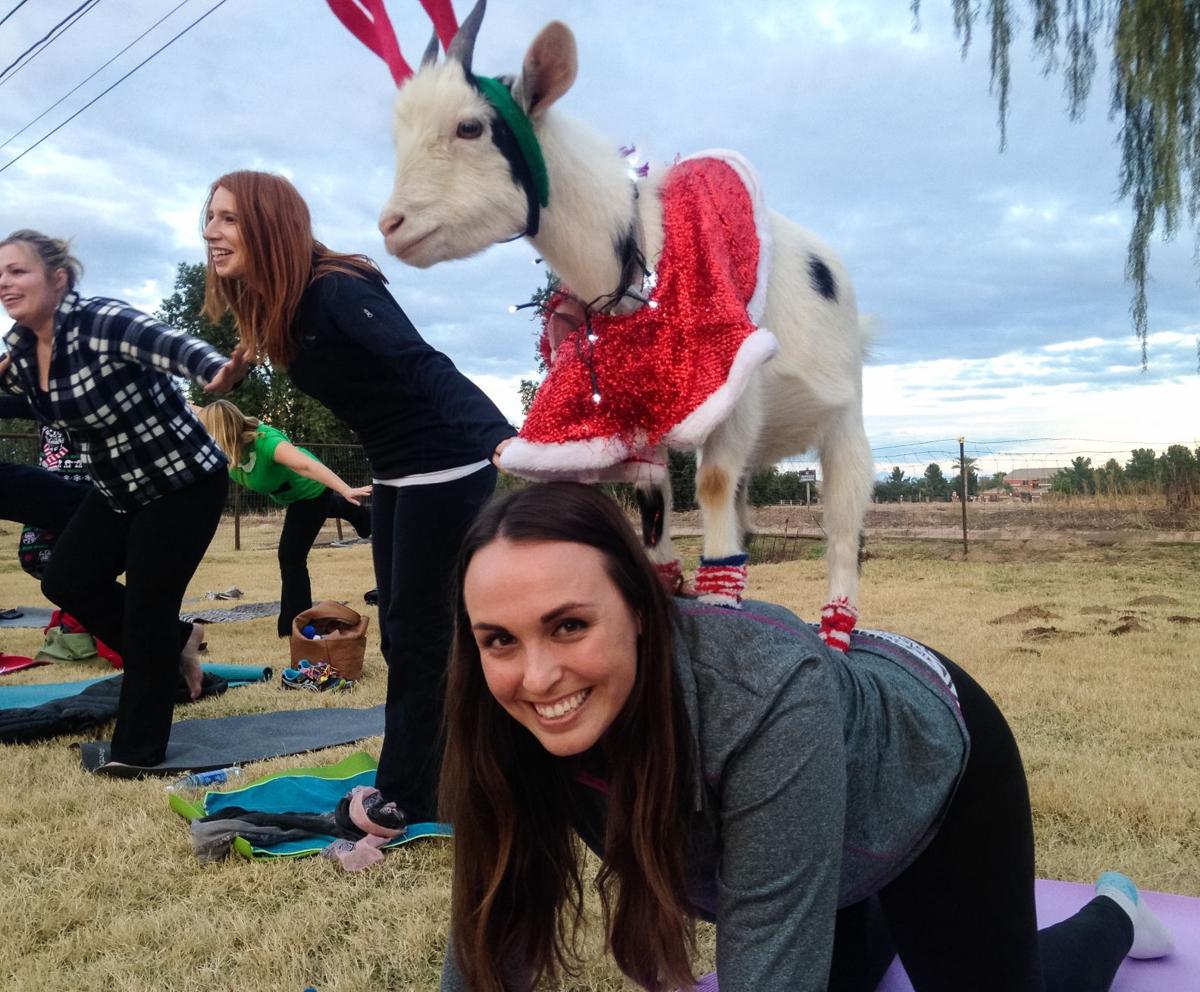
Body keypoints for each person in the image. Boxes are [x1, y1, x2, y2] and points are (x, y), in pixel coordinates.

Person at [438, 482, 1173, 992]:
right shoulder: (501, 709)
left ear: (640, 608)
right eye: (499, 639)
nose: (537, 677)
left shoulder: (763, 699)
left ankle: (1114, 911)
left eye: (570, 625)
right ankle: (878, 915)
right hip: (803, 822)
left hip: (921, 766)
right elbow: (489, 932)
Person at [200, 171, 517, 824]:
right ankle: (458, 766)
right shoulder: (283, 304)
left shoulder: (337, 290)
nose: (211, 231)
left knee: (419, 638)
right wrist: (233, 368)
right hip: (399, 472)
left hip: (448, 464)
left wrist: (501, 439)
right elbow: (261, 340)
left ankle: (408, 793)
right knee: (409, 637)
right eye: (210, 217)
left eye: (228, 218)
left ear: (268, 224)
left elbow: (420, 361)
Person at [0, 229, 238, 767]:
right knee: (66, 577)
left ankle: (137, 751)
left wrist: (216, 371)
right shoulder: (23, 348)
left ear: (58, 279)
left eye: (18, 270)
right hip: (118, 490)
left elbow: (171, 344)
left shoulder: (101, 321)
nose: (5, 283)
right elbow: (21, 397)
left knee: (147, 611)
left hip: (181, 484)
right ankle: (178, 642)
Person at [195, 398, 372, 637]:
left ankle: (294, 624)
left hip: (309, 492)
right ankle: (363, 516)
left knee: (291, 557)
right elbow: (188, 408)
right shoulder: (226, 445)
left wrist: (346, 489)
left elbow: (307, 466)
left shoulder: (267, 443)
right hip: (290, 495)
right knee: (335, 508)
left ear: (221, 432)